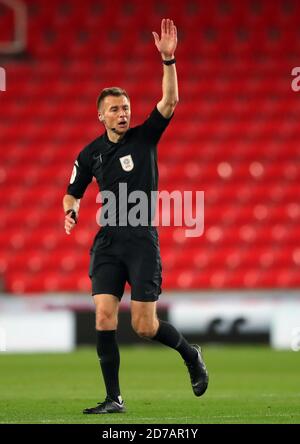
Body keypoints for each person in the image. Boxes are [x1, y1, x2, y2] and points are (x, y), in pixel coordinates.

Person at [63, 18, 208, 414]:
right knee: (104, 315)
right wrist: (71, 212)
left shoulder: (145, 137)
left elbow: (170, 102)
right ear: (101, 117)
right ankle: (114, 398)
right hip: (109, 241)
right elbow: (72, 192)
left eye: (126, 107)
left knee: (144, 326)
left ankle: (190, 354)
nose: (123, 113)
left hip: (142, 239)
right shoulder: (89, 154)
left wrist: (168, 59)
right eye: (115, 109)